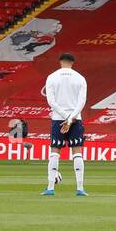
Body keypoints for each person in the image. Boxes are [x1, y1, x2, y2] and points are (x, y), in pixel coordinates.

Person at [41, 53, 88, 196]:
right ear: (73, 62)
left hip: (57, 118)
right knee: (77, 152)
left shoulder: (52, 77)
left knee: (55, 152)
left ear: (60, 62)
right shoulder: (80, 78)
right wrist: (71, 117)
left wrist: (64, 116)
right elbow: (82, 102)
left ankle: (50, 188)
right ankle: (80, 188)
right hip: (75, 119)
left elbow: (51, 101)